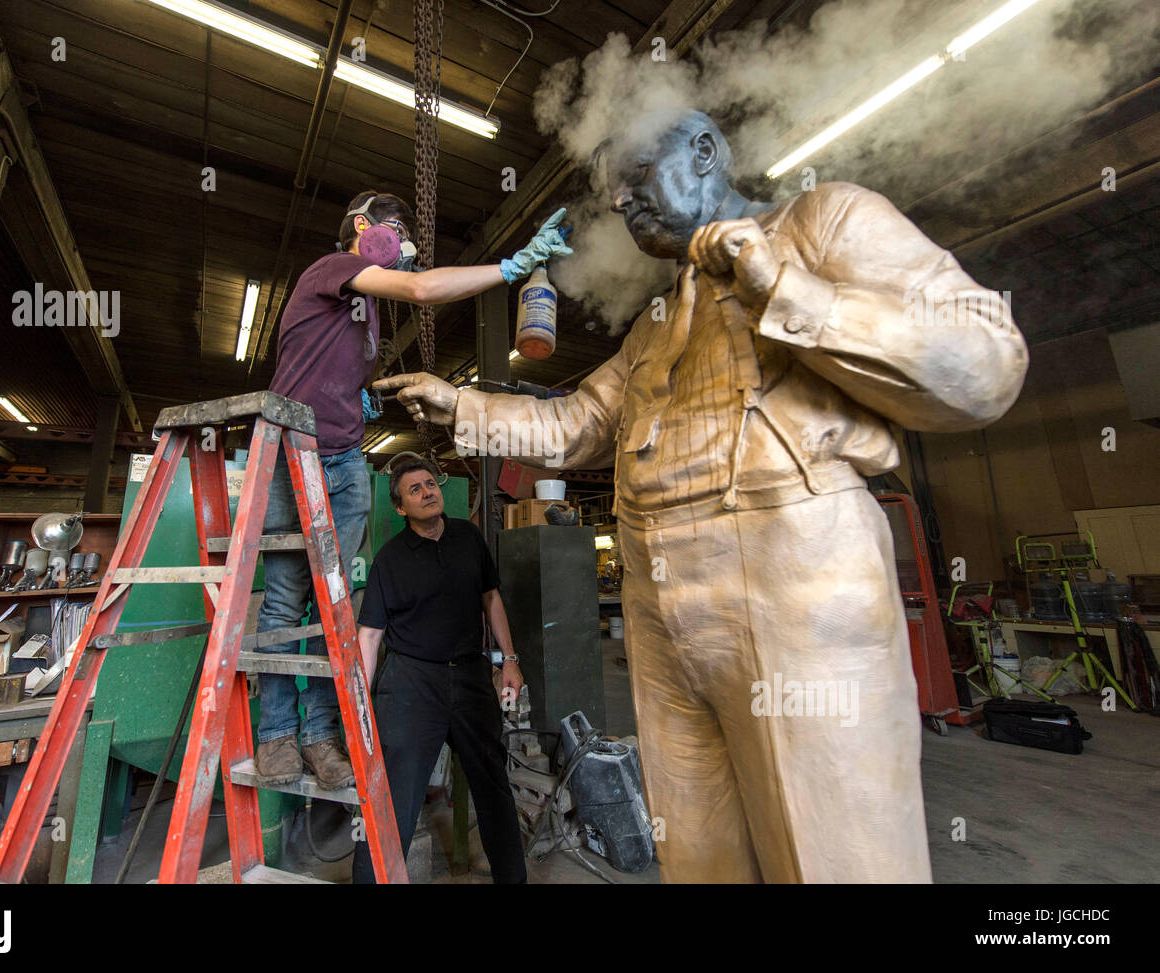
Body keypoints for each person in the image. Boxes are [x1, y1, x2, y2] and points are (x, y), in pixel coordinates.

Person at [372, 110, 1029, 882]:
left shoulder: (823, 220)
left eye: (634, 176)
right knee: (697, 846)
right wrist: (465, 409)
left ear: (706, 152)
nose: (620, 202)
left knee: (835, 846)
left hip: (795, 580)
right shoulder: (658, 318)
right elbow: (580, 421)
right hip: (660, 603)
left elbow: (986, 364)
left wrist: (785, 285)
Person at [256, 192, 571, 790]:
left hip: (345, 460)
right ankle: (275, 736)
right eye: (394, 230)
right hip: (291, 450)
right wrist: (511, 266)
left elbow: (331, 363)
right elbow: (424, 290)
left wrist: (359, 397)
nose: (403, 244)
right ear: (359, 227)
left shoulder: (367, 309)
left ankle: (320, 737)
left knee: (331, 603)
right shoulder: (333, 269)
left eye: (407, 234)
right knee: (283, 598)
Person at [350, 455, 527, 883]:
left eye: (430, 484)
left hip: (469, 676)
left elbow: (491, 598)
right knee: (394, 797)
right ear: (400, 507)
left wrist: (509, 660)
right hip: (412, 683)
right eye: (415, 489)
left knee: (493, 787)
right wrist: (359, 702)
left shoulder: (468, 538)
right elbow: (370, 636)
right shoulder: (389, 561)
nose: (428, 492)